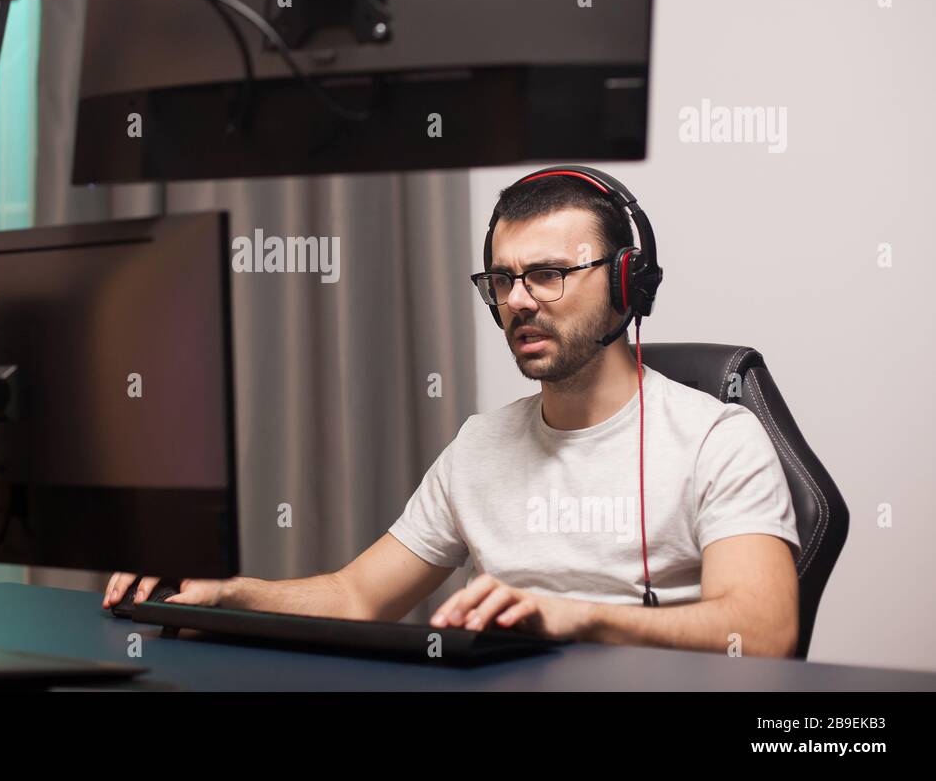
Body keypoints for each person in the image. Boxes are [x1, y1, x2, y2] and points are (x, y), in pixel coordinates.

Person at [104, 169, 801, 656]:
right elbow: (356, 595)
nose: (518, 300)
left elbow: (764, 634)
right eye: (503, 279)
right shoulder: (480, 445)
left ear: (626, 283)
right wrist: (232, 593)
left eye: (549, 274)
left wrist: (571, 618)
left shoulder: (718, 439)